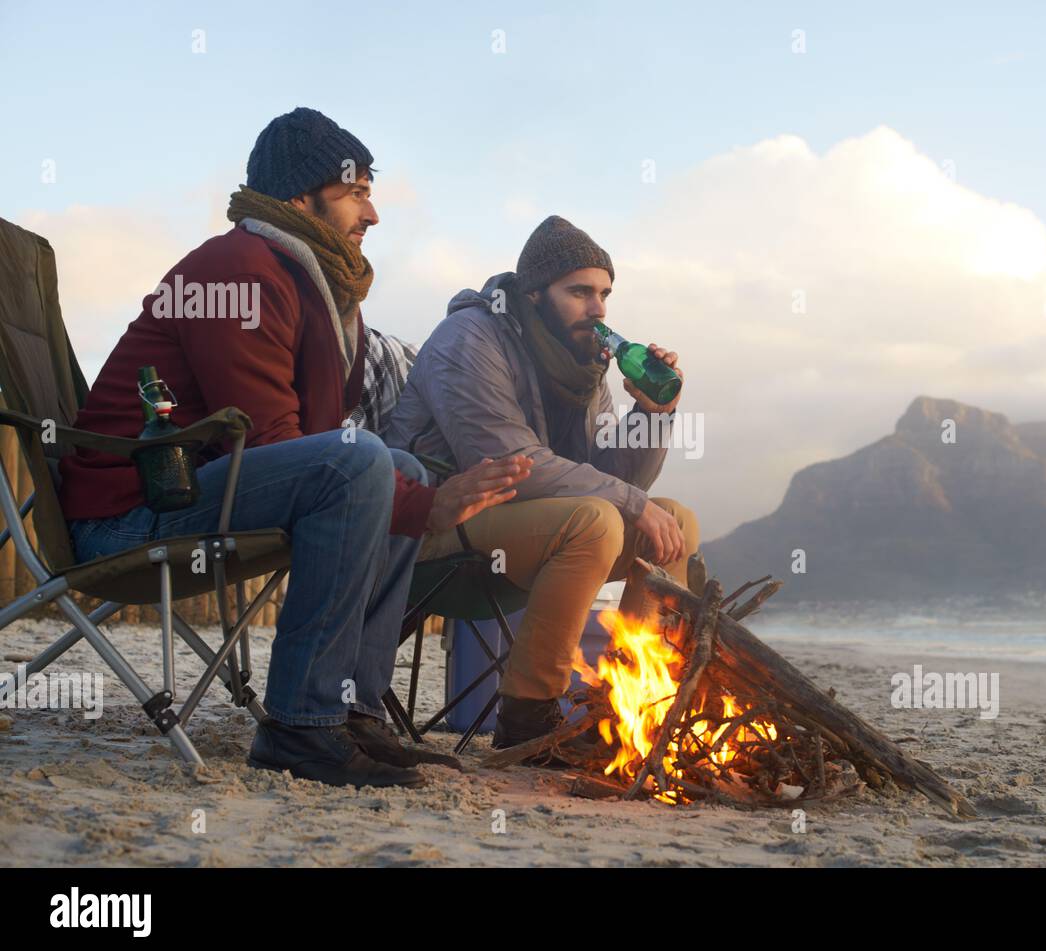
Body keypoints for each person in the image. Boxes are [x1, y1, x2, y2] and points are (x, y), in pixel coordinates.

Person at [58, 107, 530, 787]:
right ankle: (301, 726)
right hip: (131, 512)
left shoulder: (307, 283)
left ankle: (354, 711)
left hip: (196, 487)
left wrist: (417, 494)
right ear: (302, 194)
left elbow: (310, 440)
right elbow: (282, 440)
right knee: (366, 461)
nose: (373, 214)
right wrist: (425, 505)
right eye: (358, 192)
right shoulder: (235, 271)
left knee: (389, 463)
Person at [385, 215, 699, 750]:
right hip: (433, 525)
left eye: (604, 293)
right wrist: (627, 501)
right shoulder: (470, 338)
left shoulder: (585, 364)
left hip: (526, 532)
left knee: (675, 519)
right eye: (579, 292)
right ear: (533, 294)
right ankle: (528, 720)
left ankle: (635, 709)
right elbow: (512, 464)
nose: (597, 309)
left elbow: (612, 477)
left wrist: (652, 415)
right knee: (596, 521)